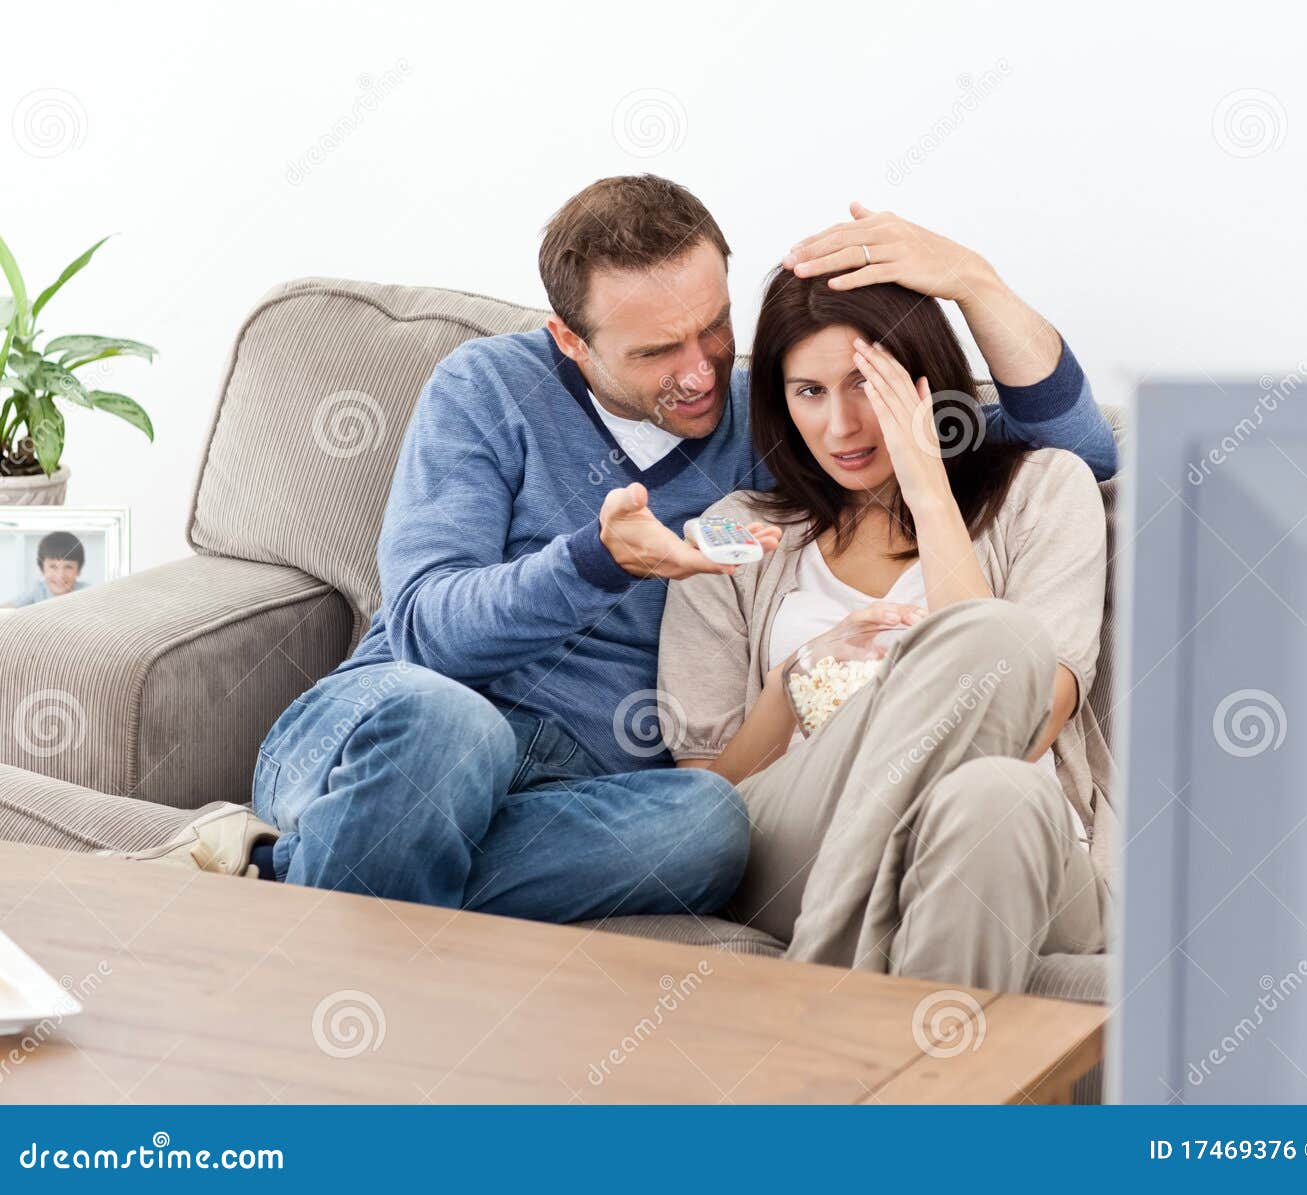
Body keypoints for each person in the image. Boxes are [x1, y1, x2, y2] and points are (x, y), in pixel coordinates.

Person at [106, 175, 1118, 930]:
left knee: (712, 827)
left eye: (713, 330)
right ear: (570, 341)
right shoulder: (489, 390)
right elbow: (426, 630)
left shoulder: (768, 419)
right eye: (654, 352)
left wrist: (975, 284)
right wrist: (593, 561)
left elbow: (1074, 461)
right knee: (453, 726)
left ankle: (282, 878)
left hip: (596, 790)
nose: (697, 373)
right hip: (395, 728)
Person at [657, 269, 1113, 990]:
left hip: (1016, 842)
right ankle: (842, 970)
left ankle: (836, 1005)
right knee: (998, 649)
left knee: (1002, 778)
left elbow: (1033, 716)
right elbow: (701, 803)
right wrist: (793, 681)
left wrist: (927, 484)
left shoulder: (1046, 490)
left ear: (925, 383)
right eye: (809, 391)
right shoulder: (735, 532)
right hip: (797, 837)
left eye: (866, 383)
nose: (840, 426)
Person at [5, 531, 89, 608]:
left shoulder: (87, 592)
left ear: (78, 570)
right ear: (42, 569)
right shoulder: (38, 590)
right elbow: (6, 609)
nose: (60, 575)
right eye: (53, 567)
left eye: (68, 567)